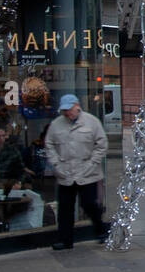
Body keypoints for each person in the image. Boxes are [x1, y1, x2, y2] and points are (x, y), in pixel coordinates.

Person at [44, 94, 108, 250]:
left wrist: (92, 163)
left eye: (69, 109)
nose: (67, 113)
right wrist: (56, 165)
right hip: (65, 173)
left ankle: (100, 230)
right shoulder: (56, 124)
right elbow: (49, 145)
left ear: (77, 106)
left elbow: (102, 145)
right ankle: (65, 240)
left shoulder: (92, 122)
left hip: (88, 173)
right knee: (65, 208)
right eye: (64, 110)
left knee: (89, 204)